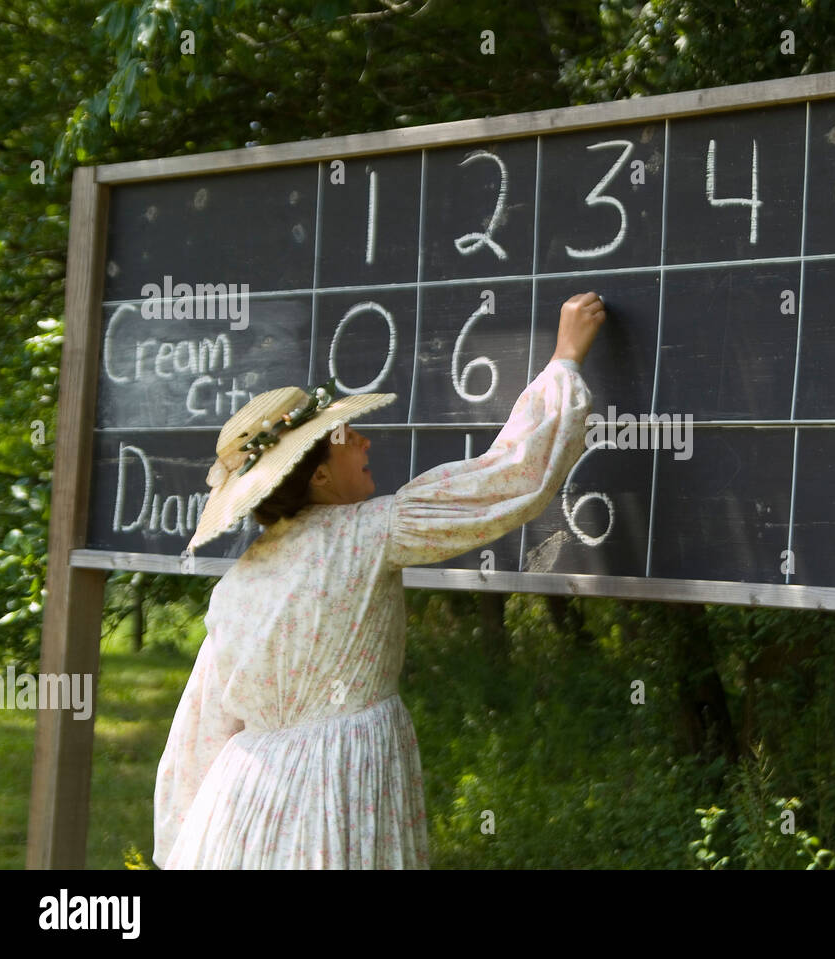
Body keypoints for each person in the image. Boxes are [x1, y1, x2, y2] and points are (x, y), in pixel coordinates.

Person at [153, 292, 605, 868]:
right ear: (318, 475)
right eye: (346, 437)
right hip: (334, 792)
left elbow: (196, 741)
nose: (364, 440)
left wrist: (178, 849)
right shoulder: (370, 532)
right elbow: (506, 480)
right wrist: (564, 359)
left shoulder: (235, 587)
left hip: (236, 816)